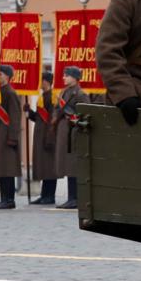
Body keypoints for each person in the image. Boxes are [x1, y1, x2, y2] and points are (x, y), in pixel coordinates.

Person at [0, 62, 23, 210]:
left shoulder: (10, 93)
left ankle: (9, 199)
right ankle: (4, 198)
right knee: (2, 167)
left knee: (7, 168)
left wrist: (13, 137)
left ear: (7, 77)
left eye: (0, 74)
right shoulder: (0, 92)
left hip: (7, 136)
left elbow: (15, 116)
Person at [27, 82, 64, 206]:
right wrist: (29, 113)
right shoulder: (42, 96)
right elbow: (39, 118)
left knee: (49, 168)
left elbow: (52, 119)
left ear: (47, 82)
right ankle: (44, 195)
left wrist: (50, 137)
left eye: (41, 80)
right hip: (40, 136)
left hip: (48, 136)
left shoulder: (53, 96)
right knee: (44, 167)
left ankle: (50, 196)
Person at [57, 67, 88, 209]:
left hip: (75, 132)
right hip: (66, 131)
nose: (63, 77)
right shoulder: (64, 92)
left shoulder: (81, 94)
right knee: (69, 165)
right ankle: (71, 197)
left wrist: (76, 121)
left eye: (66, 75)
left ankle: (75, 198)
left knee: (74, 166)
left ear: (75, 77)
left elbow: (85, 114)